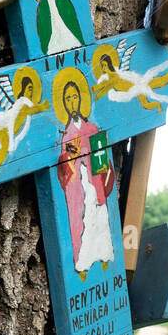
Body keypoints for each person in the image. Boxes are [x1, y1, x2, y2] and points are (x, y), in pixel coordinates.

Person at [56, 77, 114, 279]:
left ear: (80, 99)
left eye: (75, 97)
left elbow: (100, 153)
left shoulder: (92, 128)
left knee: (100, 216)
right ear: (64, 104)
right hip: (78, 186)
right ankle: (83, 264)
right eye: (68, 99)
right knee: (82, 221)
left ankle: (105, 255)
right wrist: (72, 158)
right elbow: (66, 162)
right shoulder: (68, 133)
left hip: (95, 180)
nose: (72, 102)